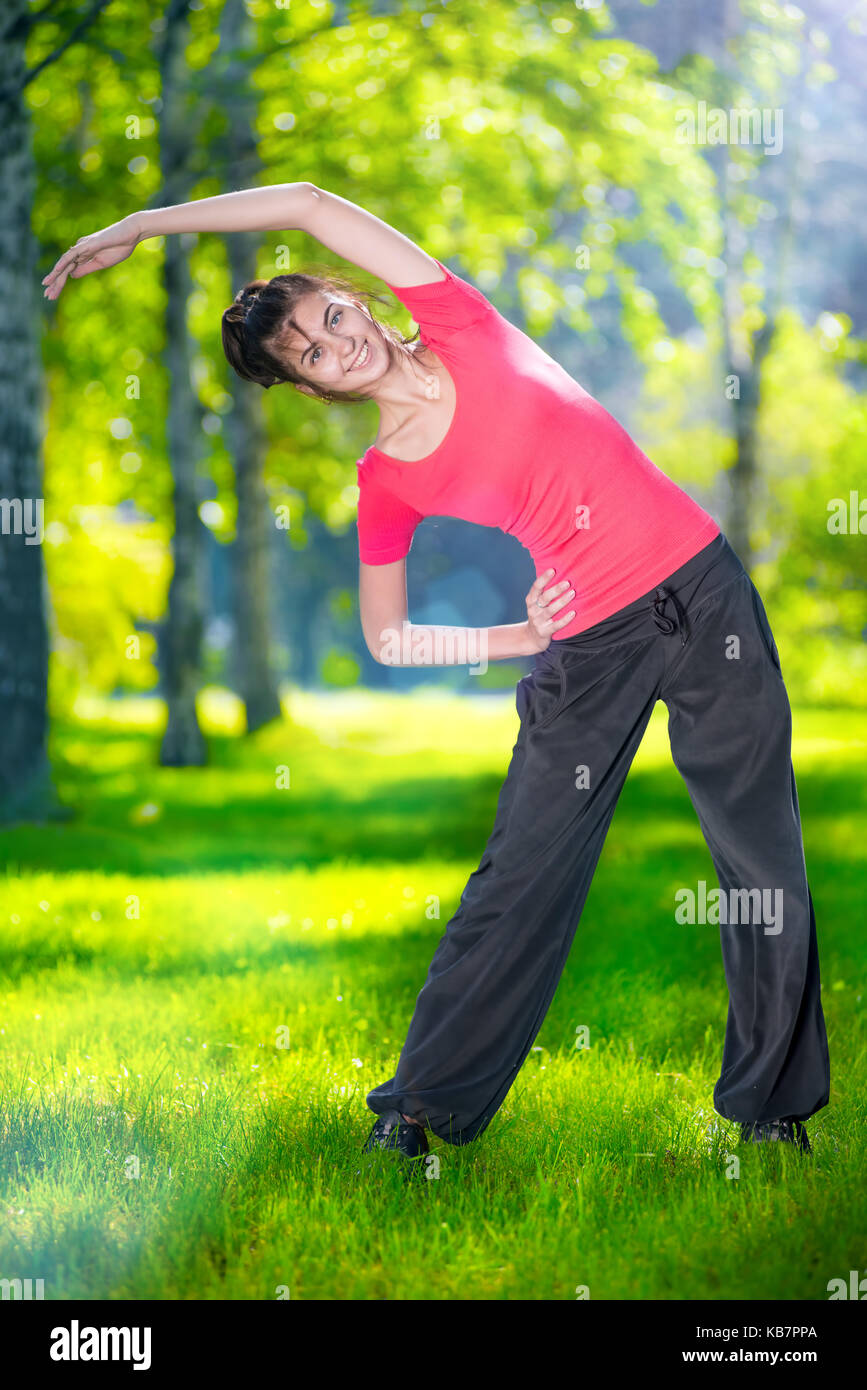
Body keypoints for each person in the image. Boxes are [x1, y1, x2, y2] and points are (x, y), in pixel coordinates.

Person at [42, 182, 830, 1171]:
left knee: (762, 858)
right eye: (312, 353)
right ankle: (413, 1106)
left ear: (355, 294)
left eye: (332, 315)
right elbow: (387, 635)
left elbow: (306, 200)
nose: (337, 341)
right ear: (312, 385)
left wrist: (142, 225)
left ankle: (771, 1105)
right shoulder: (388, 477)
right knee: (521, 873)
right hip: (587, 648)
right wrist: (511, 635)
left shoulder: (455, 318)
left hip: (705, 592)